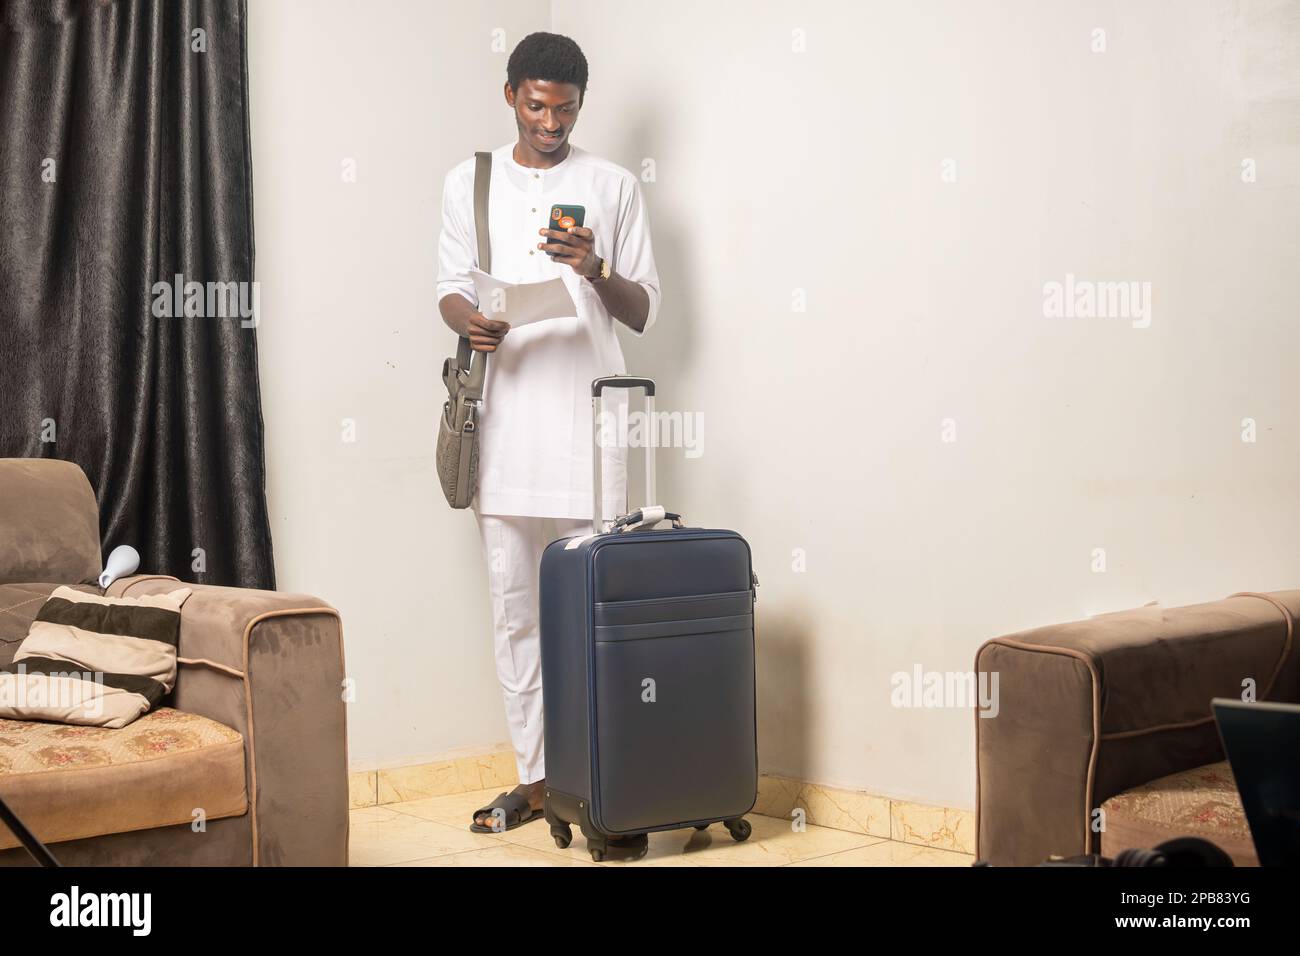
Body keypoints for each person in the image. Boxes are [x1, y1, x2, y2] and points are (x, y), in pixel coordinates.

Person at [435, 32, 660, 834]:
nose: (550, 122)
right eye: (535, 105)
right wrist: (476, 324)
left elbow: (645, 310)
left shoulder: (612, 184)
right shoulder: (471, 181)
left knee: (593, 607)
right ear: (510, 97)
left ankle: (598, 779)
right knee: (515, 610)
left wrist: (594, 269)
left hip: (589, 424)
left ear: (580, 107)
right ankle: (534, 781)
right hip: (504, 424)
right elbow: (449, 291)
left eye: (564, 109)